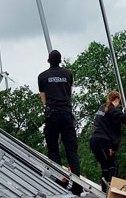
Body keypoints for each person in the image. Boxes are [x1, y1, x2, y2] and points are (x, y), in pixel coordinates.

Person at [37, 50, 83, 195]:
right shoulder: (68, 74)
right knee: (71, 151)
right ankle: (77, 185)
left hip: (52, 114)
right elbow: (69, 93)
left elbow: (44, 100)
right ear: (61, 60)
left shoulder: (42, 76)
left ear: (48, 61)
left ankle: (60, 181)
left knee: (53, 150)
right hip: (66, 114)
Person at [89, 90, 126, 193]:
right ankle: (110, 192)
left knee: (105, 168)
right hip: (103, 142)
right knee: (113, 166)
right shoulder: (113, 110)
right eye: (118, 101)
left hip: (94, 141)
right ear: (116, 100)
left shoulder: (102, 107)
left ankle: (104, 192)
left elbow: (106, 122)